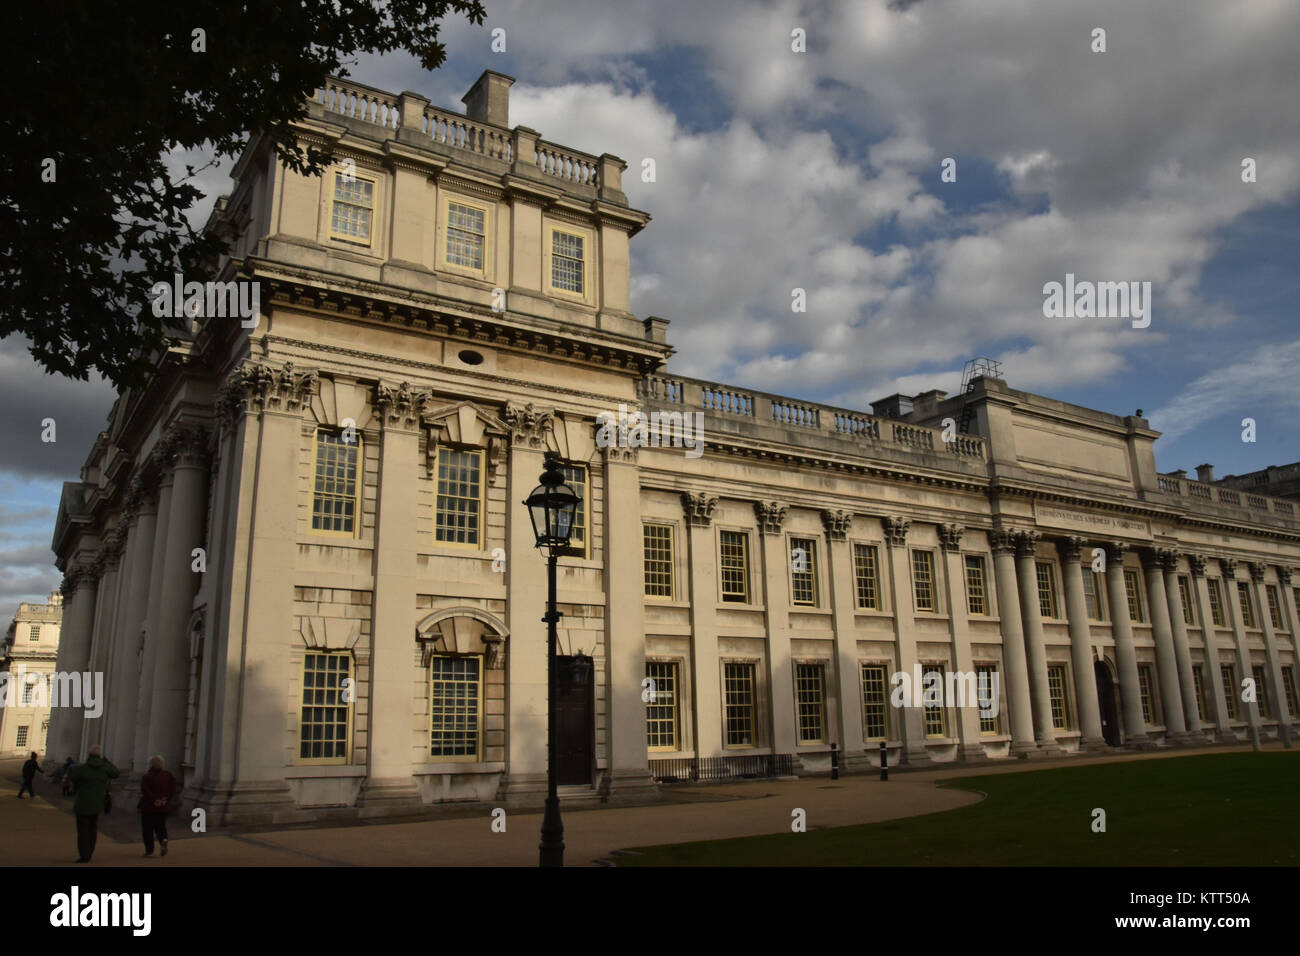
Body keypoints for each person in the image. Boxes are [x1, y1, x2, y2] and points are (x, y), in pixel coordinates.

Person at [69, 746, 119, 863]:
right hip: (97, 804)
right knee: (92, 829)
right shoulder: (105, 768)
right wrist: (108, 762)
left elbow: (72, 777)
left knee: (83, 831)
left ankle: (84, 855)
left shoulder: (82, 768)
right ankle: (90, 850)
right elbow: (116, 773)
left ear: (89, 756)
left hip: (82, 803)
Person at [138, 754, 176, 858]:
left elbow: (145, 791)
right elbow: (172, 789)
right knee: (161, 826)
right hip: (163, 807)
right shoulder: (168, 775)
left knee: (147, 830)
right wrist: (165, 799)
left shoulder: (147, 776)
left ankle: (149, 851)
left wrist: (155, 800)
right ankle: (163, 839)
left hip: (148, 807)